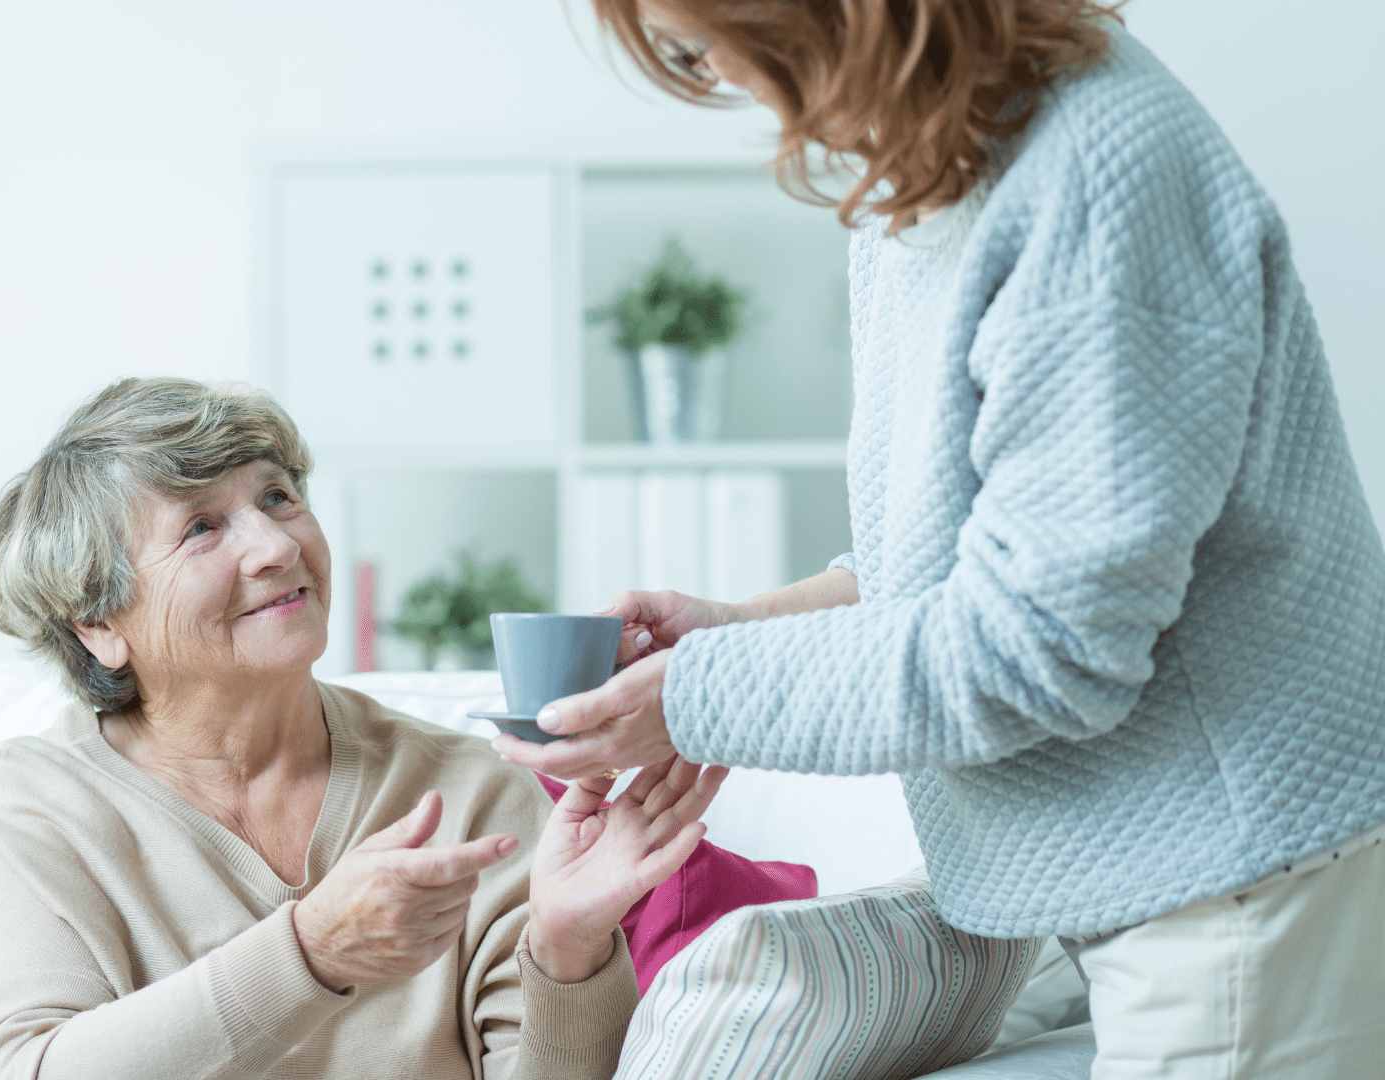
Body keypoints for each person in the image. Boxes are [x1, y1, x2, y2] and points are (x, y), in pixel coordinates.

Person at [496, 2, 1385, 1077]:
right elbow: (970, 561)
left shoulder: (1097, 174)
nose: (720, 79)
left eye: (700, 43)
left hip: (1231, 870)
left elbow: (1040, 648)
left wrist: (690, 697)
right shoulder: (919, 174)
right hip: (1098, 870)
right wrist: (731, 631)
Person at [0, 376, 729, 1080]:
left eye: (278, 497)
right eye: (202, 526)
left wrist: (568, 953)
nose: (278, 546)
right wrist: (308, 954)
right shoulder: (31, 809)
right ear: (98, 622)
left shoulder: (469, 789)